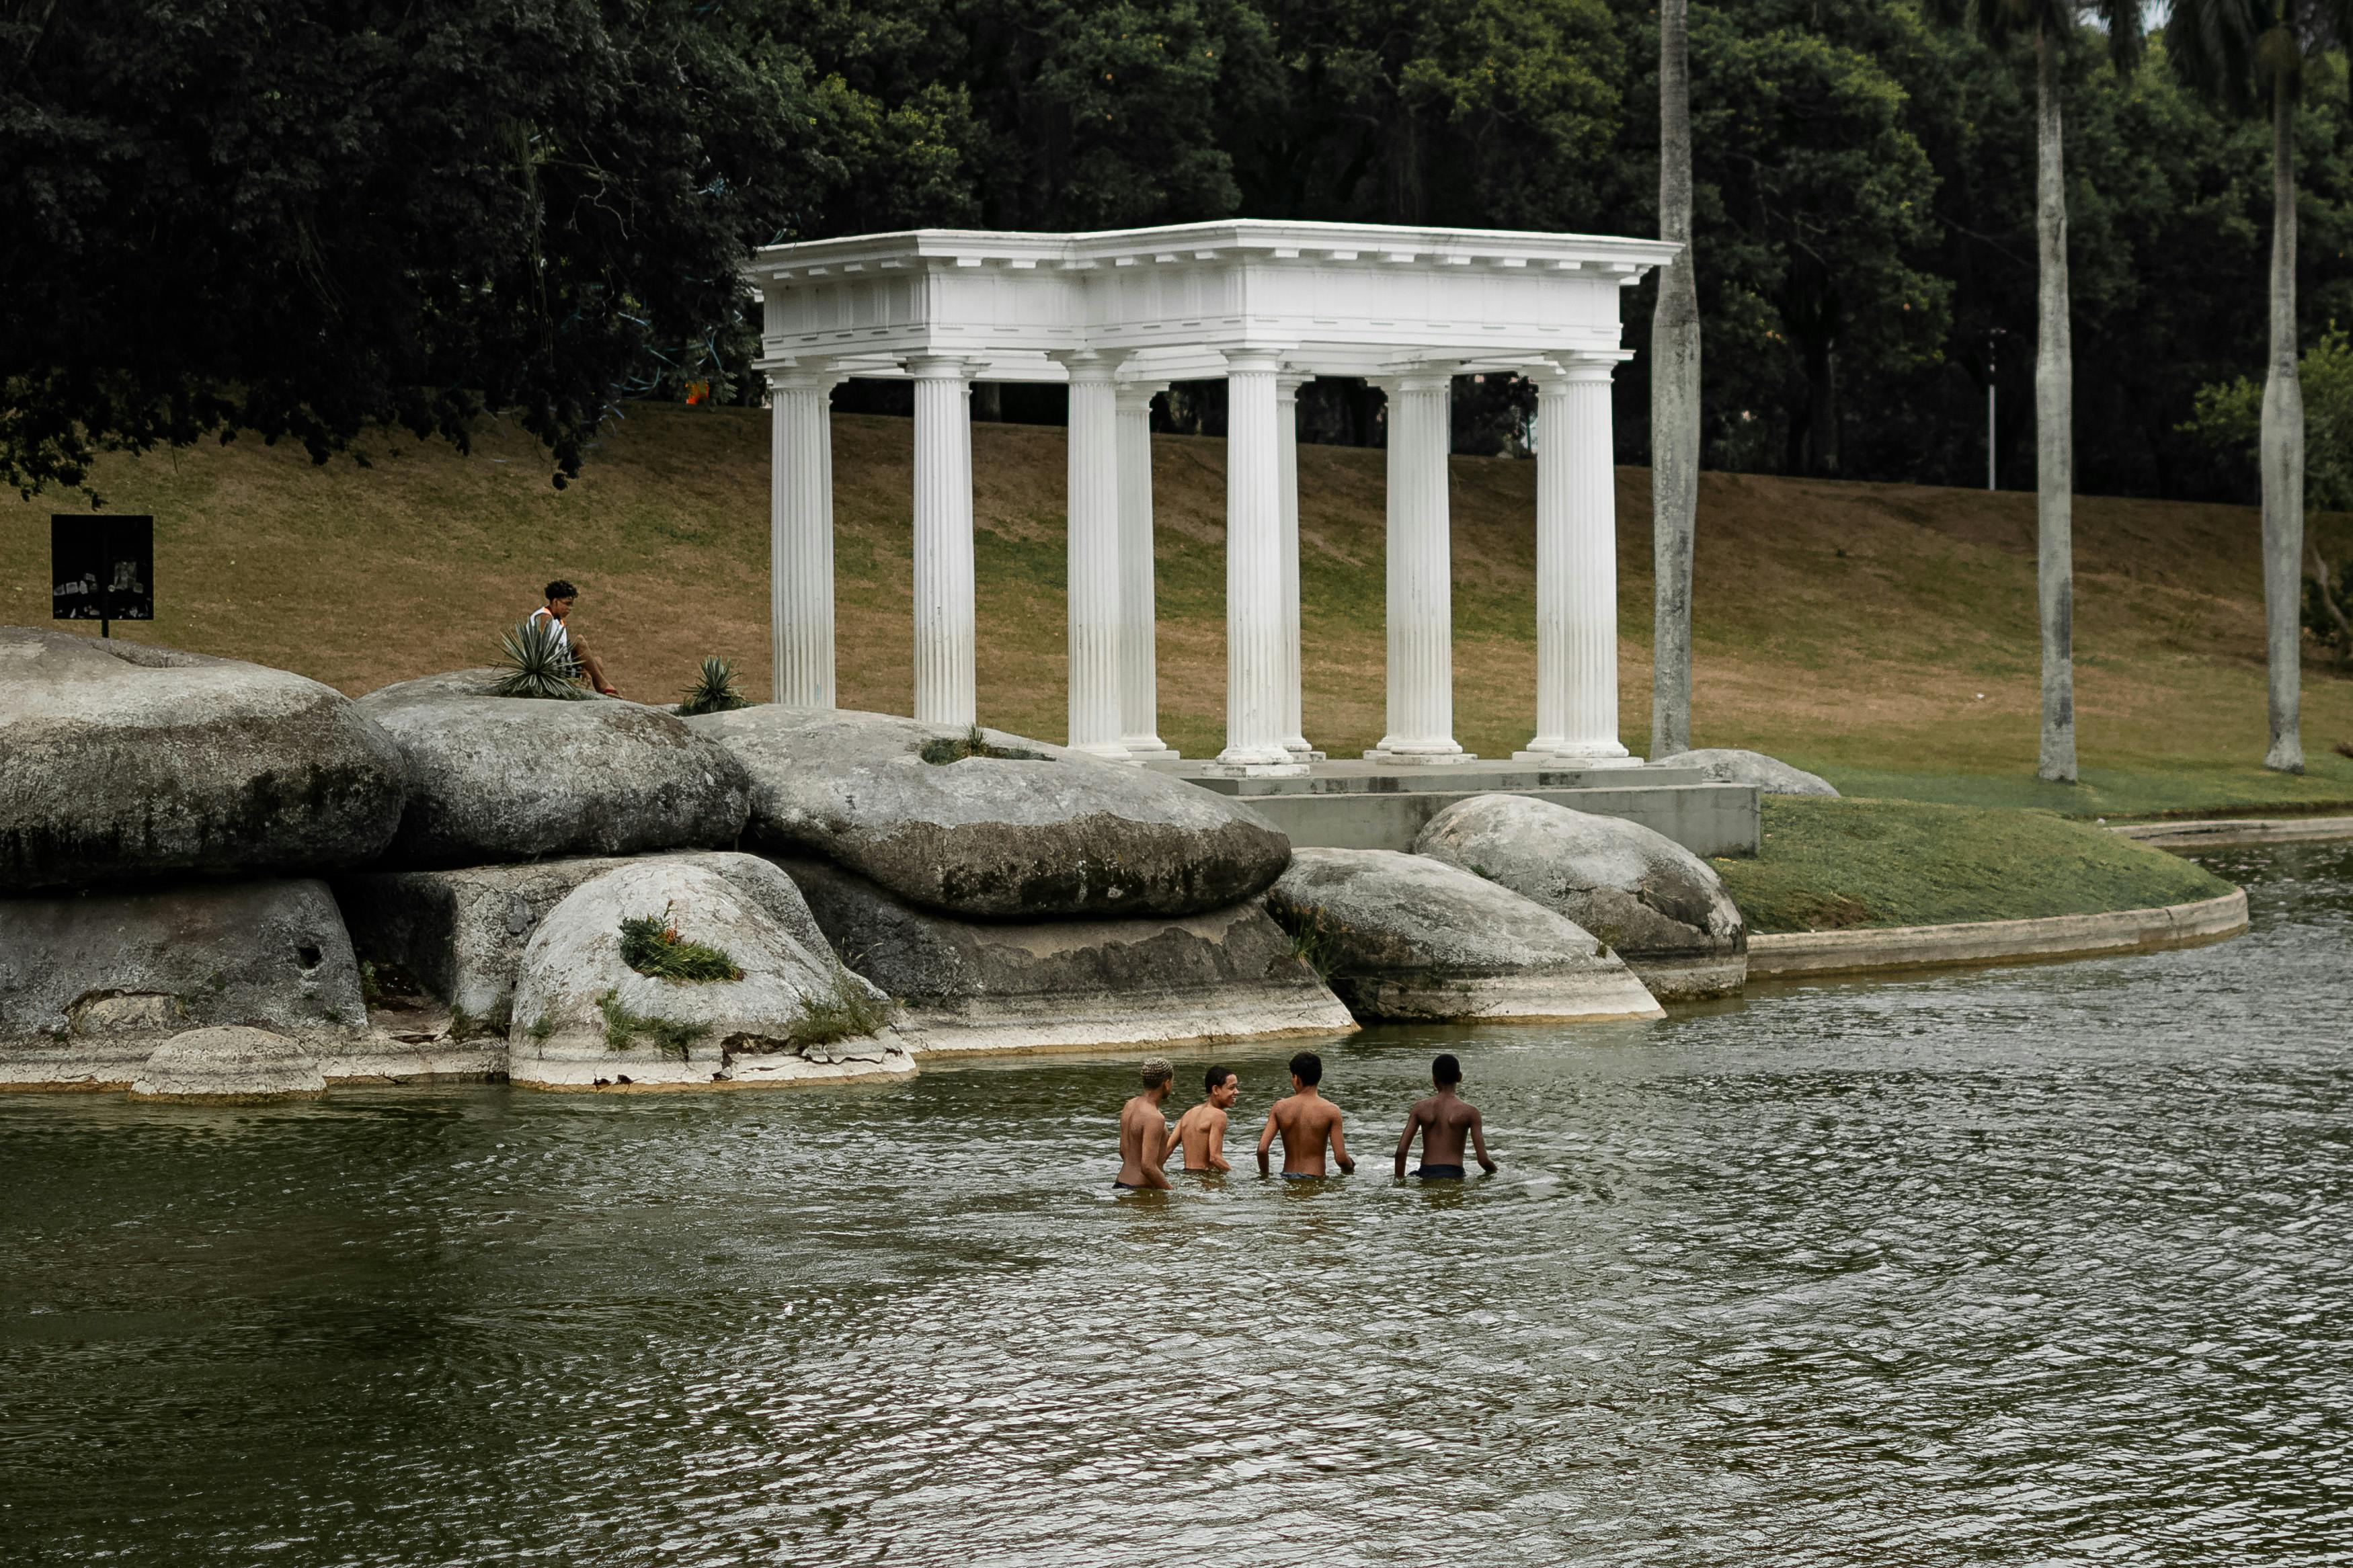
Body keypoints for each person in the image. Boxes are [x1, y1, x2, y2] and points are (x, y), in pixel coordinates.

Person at [1393, 1053, 1496, 1180]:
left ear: (1434, 1080)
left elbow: (1401, 1152)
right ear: (1460, 1077)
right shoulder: (1471, 1112)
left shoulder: (1420, 1108)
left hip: (1426, 1174)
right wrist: (1497, 1172)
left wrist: (1399, 1182)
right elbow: (1483, 1160)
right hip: (1454, 1174)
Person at [1257, 1051, 1354, 1178]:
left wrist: (1265, 1176)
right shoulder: (1331, 1110)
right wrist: (1350, 1167)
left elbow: (1262, 1149)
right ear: (1320, 1076)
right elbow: (1341, 1158)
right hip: (1315, 1179)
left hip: (1287, 1178)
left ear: (1296, 1078)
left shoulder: (1280, 1107)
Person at [528, 579, 619, 696]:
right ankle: (603, 686)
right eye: (567, 604)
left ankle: (604, 694)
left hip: (557, 661)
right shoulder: (544, 617)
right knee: (580, 641)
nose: (570, 609)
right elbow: (543, 648)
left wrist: (583, 665)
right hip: (544, 665)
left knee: (597, 662)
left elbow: (561, 647)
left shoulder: (559, 621)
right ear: (555, 602)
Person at [1163, 1064, 1240, 1173]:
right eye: (1232, 1088)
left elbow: (1167, 1149)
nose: (1237, 1092)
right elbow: (1215, 1158)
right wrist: (1236, 1176)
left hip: (1187, 1176)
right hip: (1205, 1179)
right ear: (1216, 1090)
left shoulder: (1189, 1114)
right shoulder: (1219, 1115)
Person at [1114, 1058, 1177, 1190]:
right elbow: (1148, 1167)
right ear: (1166, 1083)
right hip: (1140, 1190)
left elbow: (1123, 1151)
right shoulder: (1155, 1117)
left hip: (1120, 1185)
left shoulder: (1129, 1105)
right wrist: (1172, 1192)